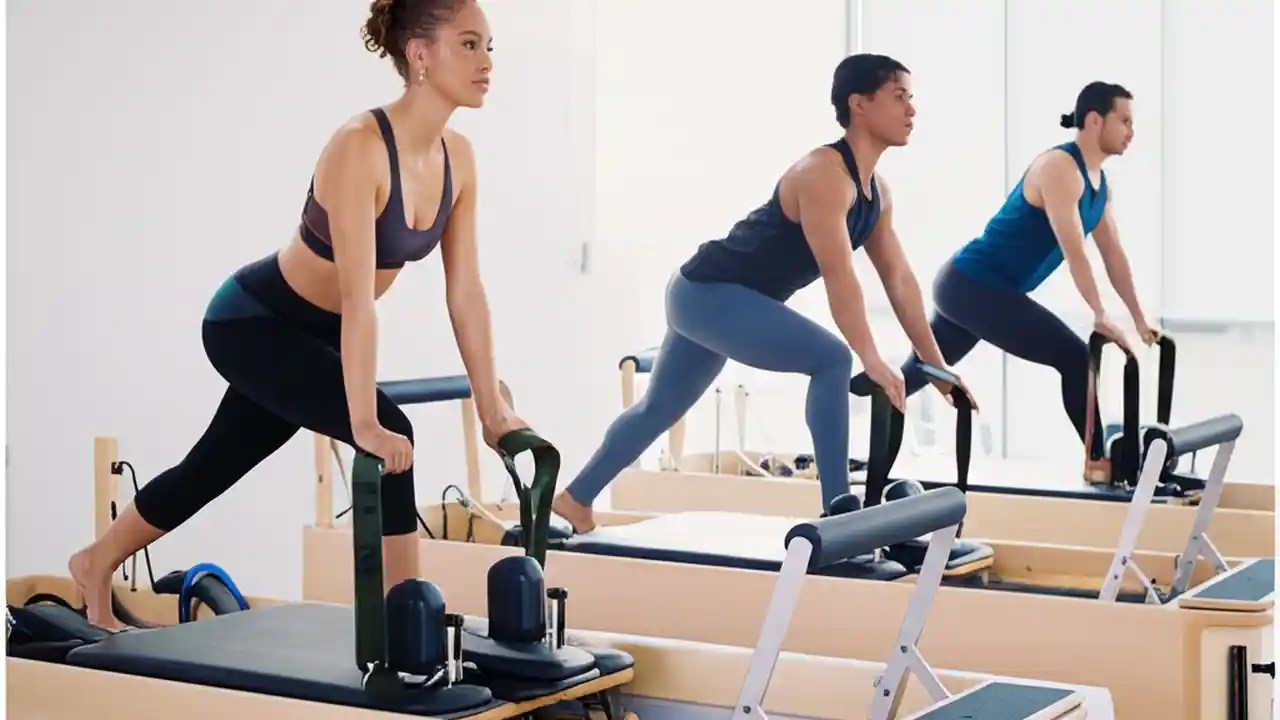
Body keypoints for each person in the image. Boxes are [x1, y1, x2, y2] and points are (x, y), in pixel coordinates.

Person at [68, 0, 527, 630]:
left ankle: (96, 561)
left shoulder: (460, 159)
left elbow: (466, 293)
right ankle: (405, 624)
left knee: (215, 462)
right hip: (251, 322)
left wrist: (492, 412)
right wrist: (363, 420)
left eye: (490, 47)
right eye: (470, 44)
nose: (487, 62)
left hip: (317, 334)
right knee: (395, 436)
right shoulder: (359, 148)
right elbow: (358, 299)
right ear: (420, 54)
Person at [551, 54, 973, 534]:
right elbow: (840, 277)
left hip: (718, 298)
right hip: (708, 293)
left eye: (911, 99)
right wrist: (871, 358)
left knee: (659, 408)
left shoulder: (876, 193)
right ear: (859, 104)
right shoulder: (824, 175)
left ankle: (574, 499)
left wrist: (936, 366)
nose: (912, 110)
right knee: (833, 358)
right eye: (900, 97)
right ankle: (840, 510)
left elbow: (898, 279)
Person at [850, 81, 1158, 484]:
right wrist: (1099, 313)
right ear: (1095, 119)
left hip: (980, 290)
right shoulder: (1060, 168)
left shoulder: (1099, 186)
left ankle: (849, 416)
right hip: (971, 285)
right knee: (1074, 357)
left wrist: (1137, 318)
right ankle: (1098, 461)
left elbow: (1113, 255)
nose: (1132, 132)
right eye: (1125, 121)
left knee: (917, 375)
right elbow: (1074, 249)